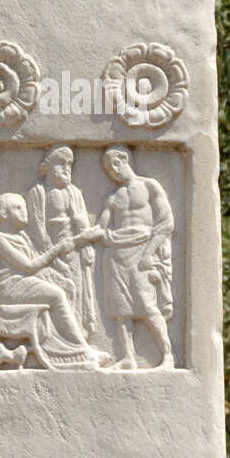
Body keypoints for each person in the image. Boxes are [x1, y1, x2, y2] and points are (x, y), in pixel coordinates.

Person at [0, 193, 102, 361]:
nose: (24, 211)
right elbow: (29, 266)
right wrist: (59, 248)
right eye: (18, 207)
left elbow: (34, 262)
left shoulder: (21, 237)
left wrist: (57, 272)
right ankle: (82, 350)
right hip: (2, 287)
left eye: (24, 207)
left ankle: (63, 345)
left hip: (17, 282)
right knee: (57, 295)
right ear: (3, 214)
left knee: (66, 286)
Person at [98, 146, 175, 369]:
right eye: (108, 169)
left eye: (115, 164)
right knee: (121, 310)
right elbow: (102, 229)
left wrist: (150, 252)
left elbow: (166, 222)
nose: (113, 171)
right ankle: (128, 357)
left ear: (125, 159)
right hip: (116, 255)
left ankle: (168, 355)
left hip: (142, 251)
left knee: (147, 304)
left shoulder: (149, 186)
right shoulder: (113, 198)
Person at [26, 146, 98, 338]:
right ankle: (54, 334)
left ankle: (76, 334)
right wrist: (53, 257)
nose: (66, 168)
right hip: (47, 252)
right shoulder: (38, 192)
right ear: (46, 166)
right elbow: (36, 227)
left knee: (77, 289)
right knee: (56, 290)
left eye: (69, 164)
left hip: (73, 251)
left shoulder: (73, 192)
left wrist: (86, 247)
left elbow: (81, 221)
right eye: (60, 162)